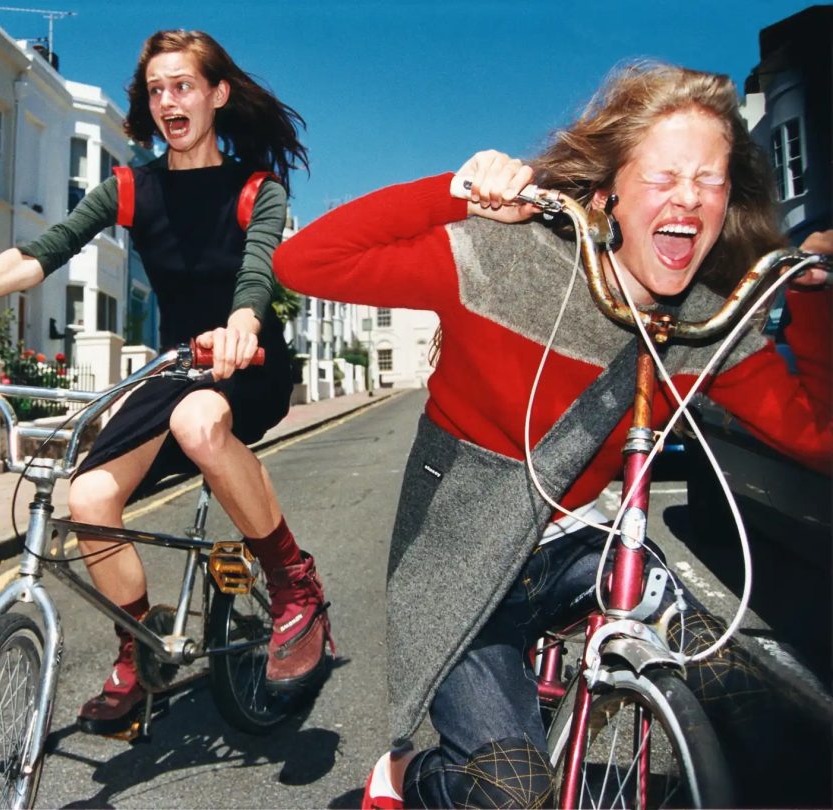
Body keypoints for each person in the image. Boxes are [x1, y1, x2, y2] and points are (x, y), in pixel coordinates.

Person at [273, 62, 830, 808]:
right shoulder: (504, 259)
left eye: (710, 180)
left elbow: (816, 437)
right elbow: (303, 261)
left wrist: (814, 300)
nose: (689, 197)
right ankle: (409, 776)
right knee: (513, 790)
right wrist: (457, 192)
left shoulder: (705, 324)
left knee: (749, 697)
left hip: (578, 551)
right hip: (460, 562)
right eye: (664, 176)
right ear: (606, 196)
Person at [0, 29, 333, 736]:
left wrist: (242, 323)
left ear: (217, 94)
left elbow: (256, 269)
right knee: (88, 496)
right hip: (176, 366)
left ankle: (294, 583)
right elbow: (38, 255)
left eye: (183, 86)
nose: (168, 102)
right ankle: (137, 651)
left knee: (199, 423)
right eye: (156, 90)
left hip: (248, 361)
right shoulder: (131, 188)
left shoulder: (254, 189)